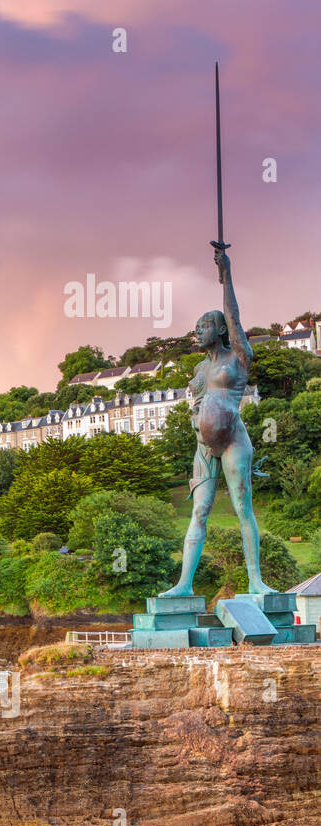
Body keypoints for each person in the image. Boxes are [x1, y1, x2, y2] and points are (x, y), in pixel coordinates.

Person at [159, 241, 275, 596]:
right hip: (203, 447)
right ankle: (183, 585)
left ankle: (256, 581)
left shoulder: (237, 358)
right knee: (199, 513)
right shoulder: (198, 367)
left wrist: (226, 275)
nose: (198, 332)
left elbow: (235, 318)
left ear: (220, 330)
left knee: (243, 508)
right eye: (195, 327)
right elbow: (194, 402)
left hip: (233, 441)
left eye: (204, 326)